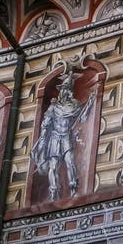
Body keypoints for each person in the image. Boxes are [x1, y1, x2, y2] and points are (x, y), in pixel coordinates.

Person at [31, 72, 93, 200]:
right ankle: (54, 193)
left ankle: (74, 189)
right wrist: (43, 137)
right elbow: (45, 123)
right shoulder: (53, 107)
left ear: (70, 91)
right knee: (53, 166)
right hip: (54, 138)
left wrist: (89, 104)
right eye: (63, 88)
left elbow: (82, 118)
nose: (65, 91)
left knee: (70, 162)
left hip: (66, 137)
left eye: (67, 88)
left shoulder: (75, 105)